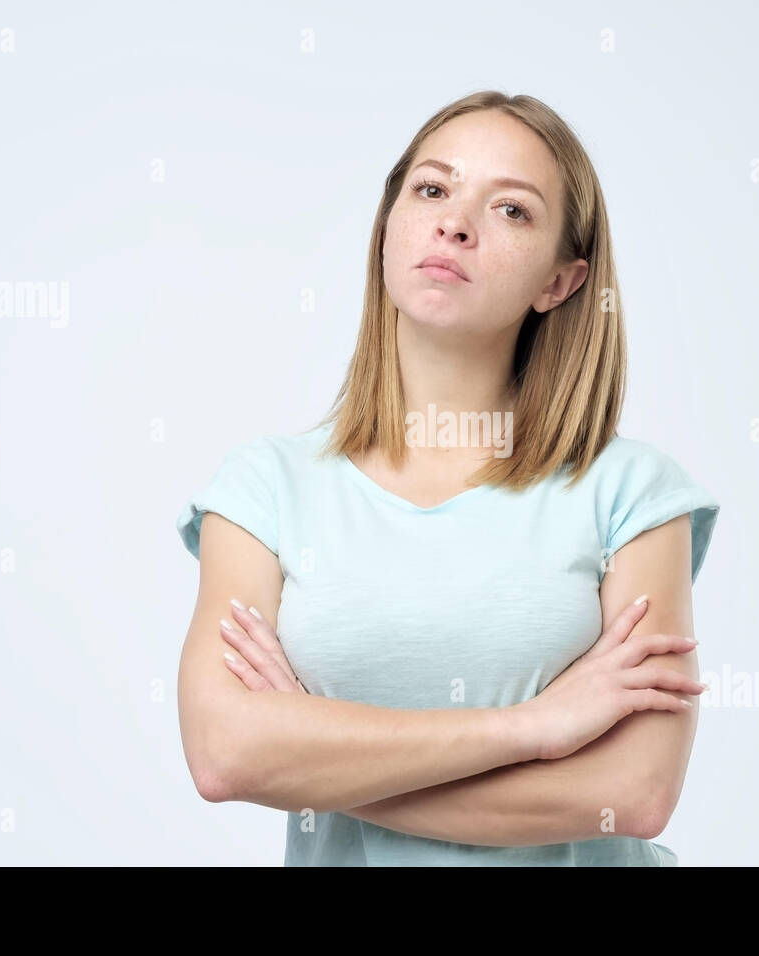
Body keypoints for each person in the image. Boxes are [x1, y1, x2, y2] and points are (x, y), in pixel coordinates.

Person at [174, 90, 720, 865]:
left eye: (512, 211)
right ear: (388, 228)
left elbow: (632, 794)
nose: (455, 221)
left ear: (561, 284)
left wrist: (313, 757)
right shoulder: (265, 491)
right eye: (432, 189)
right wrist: (532, 727)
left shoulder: (632, 494)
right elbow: (225, 754)